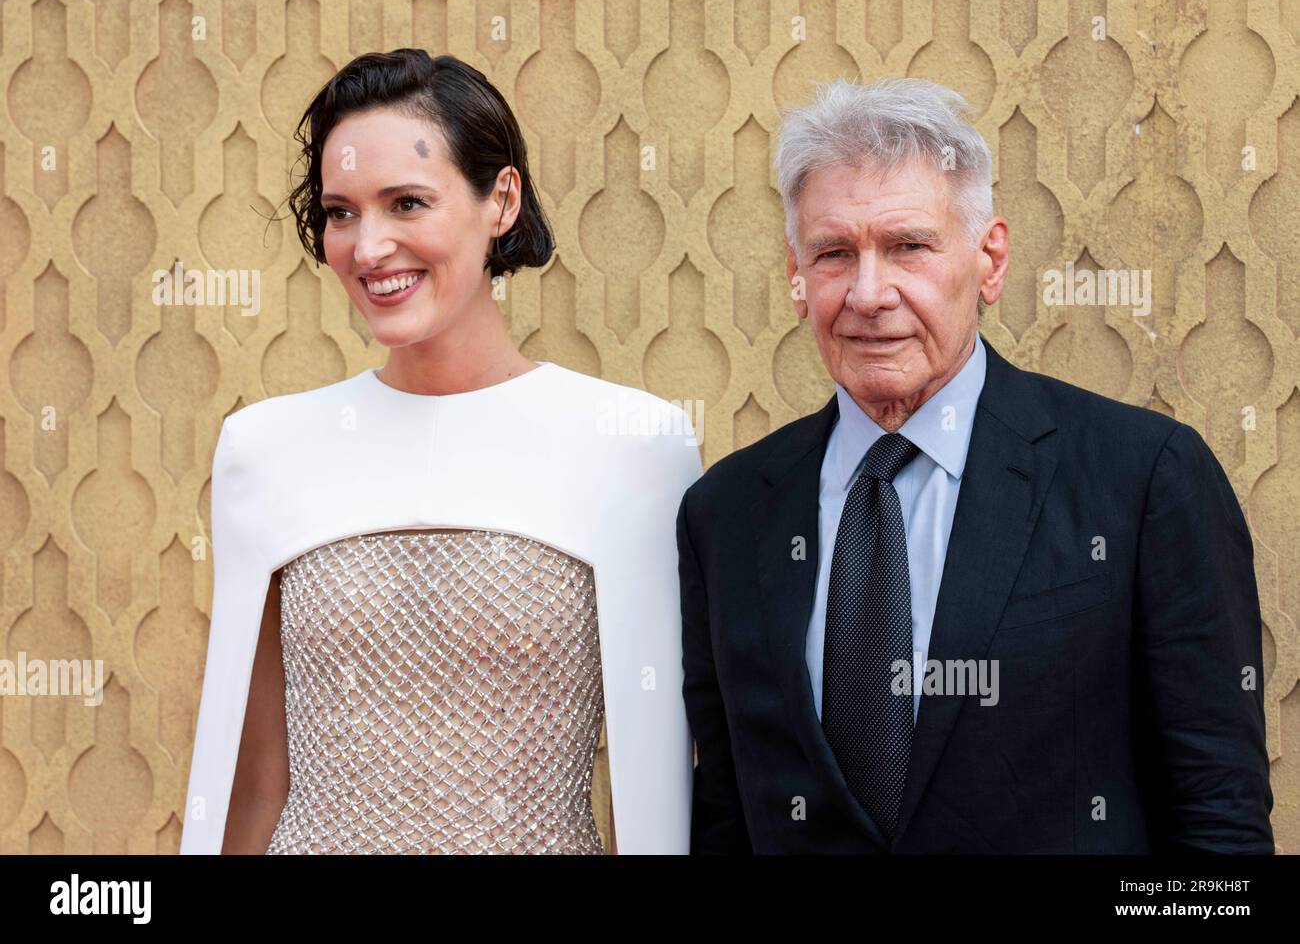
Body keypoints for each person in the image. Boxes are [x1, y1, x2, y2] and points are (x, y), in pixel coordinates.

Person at [678, 77, 1274, 853]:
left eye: (908, 247)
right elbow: (726, 817)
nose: (868, 293)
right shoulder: (725, 513)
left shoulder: (1144, 479)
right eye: (833, 254)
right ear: (797, 276)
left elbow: (1219, 821)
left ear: (989, 260)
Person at [180, 50, 700, 854]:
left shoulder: (633, 444)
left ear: (501, 200)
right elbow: (252, 784)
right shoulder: (265, 449)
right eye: (342, 211)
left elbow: (654, 790)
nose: (369, 245)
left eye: (407, 202)